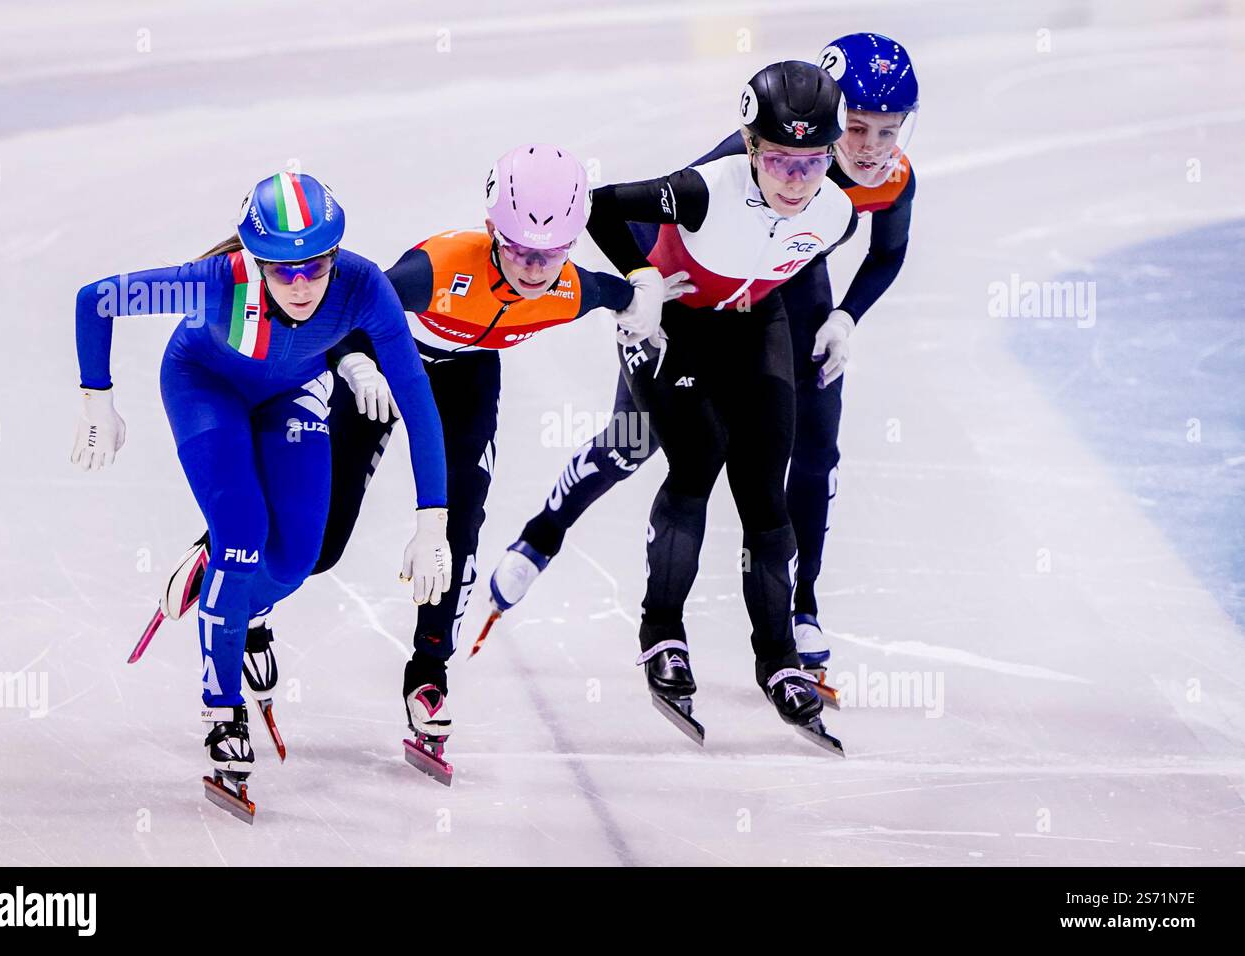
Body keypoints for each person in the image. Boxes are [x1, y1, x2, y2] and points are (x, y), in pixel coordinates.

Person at [156, 147, 667, 785]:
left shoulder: (570, 288)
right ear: (492, 233)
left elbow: (624, 294)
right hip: (379, 364)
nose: (535, 270)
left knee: (458, 528)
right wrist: (352, 360)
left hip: (466, 381)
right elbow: (339, 307)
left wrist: (644, 292)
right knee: (322, 542)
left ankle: (430, 674)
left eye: (551, 255)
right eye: (518, 252)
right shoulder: (438, 267)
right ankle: (237, 568)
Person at [490, 34, 918, 689]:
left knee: (813, 444)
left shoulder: (887, 177)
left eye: (886, 132)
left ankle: (802, 605)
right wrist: (645, 288)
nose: (867, 149)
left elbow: (887, 251)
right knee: (634, 444)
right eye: (854, 127)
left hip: (783, 294)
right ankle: (542, 535)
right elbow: (645, 216)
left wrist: (846, 316)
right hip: (694, 292)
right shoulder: (755, 158)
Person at [72, 172, 450, 819]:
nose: (301, 285)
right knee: (243, 538)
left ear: (336, 255)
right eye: (283, 271)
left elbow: (415, 397)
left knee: (299, 558)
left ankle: (228, 591)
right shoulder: (218, 281)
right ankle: (223, 713)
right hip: (204, 386)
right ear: (255, 261)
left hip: (291, 392)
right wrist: (96, 398)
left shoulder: (363, 287)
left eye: (315, 266)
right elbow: (95, 299)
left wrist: (433, 522)